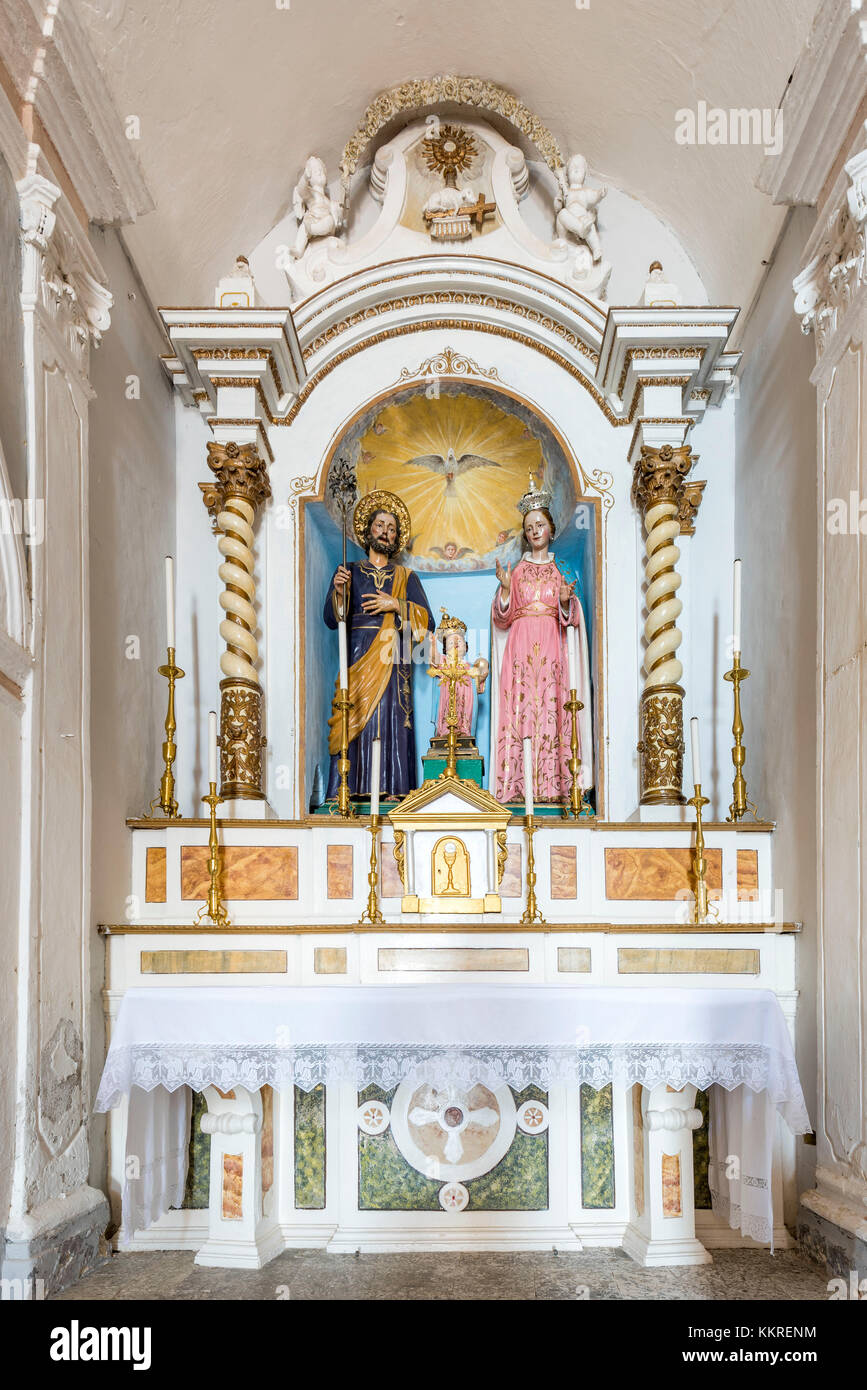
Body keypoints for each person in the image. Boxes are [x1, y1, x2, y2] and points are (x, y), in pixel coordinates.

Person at [324, 490, 434, 801]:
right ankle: (346, 790)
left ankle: (395, 790)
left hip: (393, 653)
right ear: (368, 530)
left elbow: (428, 623)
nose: (385, 532)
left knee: (391, 717)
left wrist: (396, 604)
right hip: (359, 652)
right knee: (353, 711)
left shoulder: (405, 576)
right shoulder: (350, 571)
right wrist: (339, 591)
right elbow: (333, 620)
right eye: (380, 525)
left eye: (391, 528)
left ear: (397, 537)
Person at [490, 476, 593, 804]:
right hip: (520, 650)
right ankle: (517, 788)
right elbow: (501, 617)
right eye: (529, 527)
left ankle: (554, 788)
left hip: (552, 649)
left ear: (551, 529)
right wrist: (505, 590)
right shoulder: (516, 571)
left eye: (540, 524)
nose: (534, 531)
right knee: (521, 710)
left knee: (552, 708)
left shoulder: (562, 569)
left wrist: (565, 601)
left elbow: (573, 617)